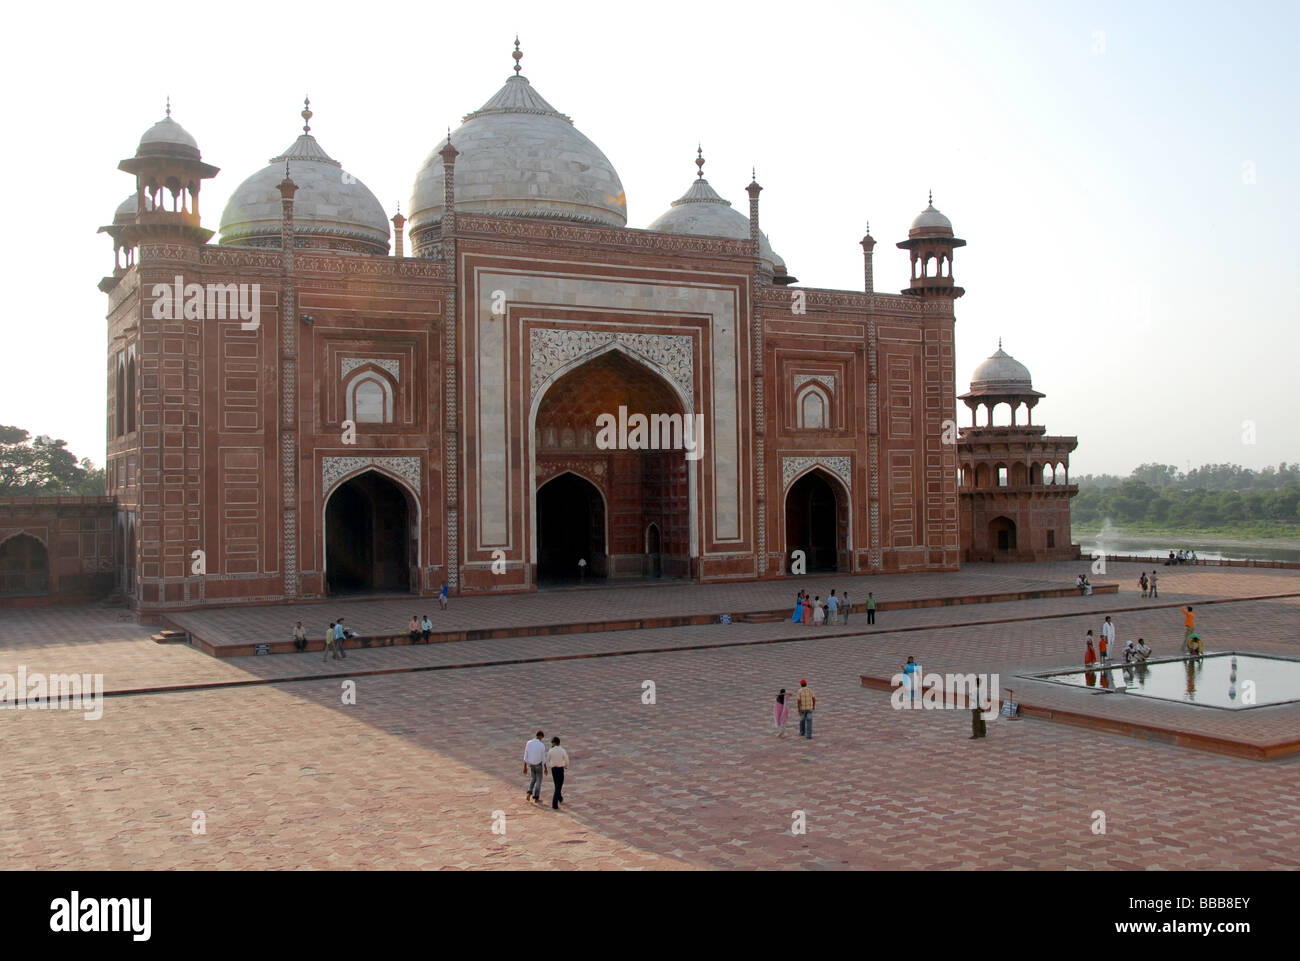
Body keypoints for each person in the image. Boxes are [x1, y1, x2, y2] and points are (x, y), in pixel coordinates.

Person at [523, 730, 547, 804]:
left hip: (531, 764)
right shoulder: (541, 745)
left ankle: (529, 792)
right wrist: (545, 768)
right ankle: (536, 797)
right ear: (540, 736)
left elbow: (525, 754)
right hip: (538, 764)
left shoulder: (529, 743)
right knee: (538, 781)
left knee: (533, 778)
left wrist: (525, 766)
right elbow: (543, 757)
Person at [546, 737, 569, 810]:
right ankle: (554, 803)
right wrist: (566, 766)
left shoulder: (551, 750)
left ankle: (560, 798)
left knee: (556, 784)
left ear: (554, 743)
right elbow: (566, 759)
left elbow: (548, 759)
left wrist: (549, 766)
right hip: (560, 769)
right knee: (559, 786)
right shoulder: (562, 750)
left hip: (554, 769)